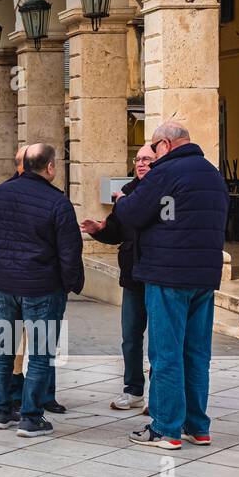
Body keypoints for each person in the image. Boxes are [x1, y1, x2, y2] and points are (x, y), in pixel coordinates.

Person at [112, 122, 228, 451]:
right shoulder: (212, 174)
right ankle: (197, 426)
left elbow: (133, 214)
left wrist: (121, 200)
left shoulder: (166, 172)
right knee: (196, 353)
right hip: (203, 277)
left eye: (154, 147)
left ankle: (165, 428)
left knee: (166, 353)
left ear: (164, 144)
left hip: (167, 276)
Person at [0, 143, 84, 438]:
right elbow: (70, 250)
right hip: (42, 287)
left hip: (7, 287)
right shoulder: (57, 202)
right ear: (50, 167)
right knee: (39, 354)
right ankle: (31, 417)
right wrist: (69, 283)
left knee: (3, 351)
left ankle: (1, 412)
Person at [82, 143, 156, 411]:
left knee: (159, 339)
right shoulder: (127, 193)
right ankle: (133, 390)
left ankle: (158, 395)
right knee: (131, 336)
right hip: (132, 277)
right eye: (138, 159)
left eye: (147, 159)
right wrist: (99, 230)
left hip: (157, 276)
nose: (141, 164)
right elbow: (116, 230)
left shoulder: (161, 192)